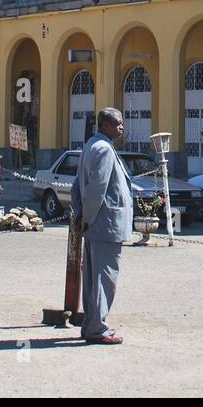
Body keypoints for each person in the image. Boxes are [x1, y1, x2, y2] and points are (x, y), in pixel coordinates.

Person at [69, 108, 134, 345]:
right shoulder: (104, 149)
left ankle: (91, 325)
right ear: (105, 125)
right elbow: (96, 188)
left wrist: (80, 215)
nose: (122, 127)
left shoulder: (90, 145)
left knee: (94, 279)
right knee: (104, 278)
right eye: (117, 123)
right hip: (105, 223)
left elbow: (77, 184)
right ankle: (97, 329)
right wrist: (86, 217)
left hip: (94, 223)